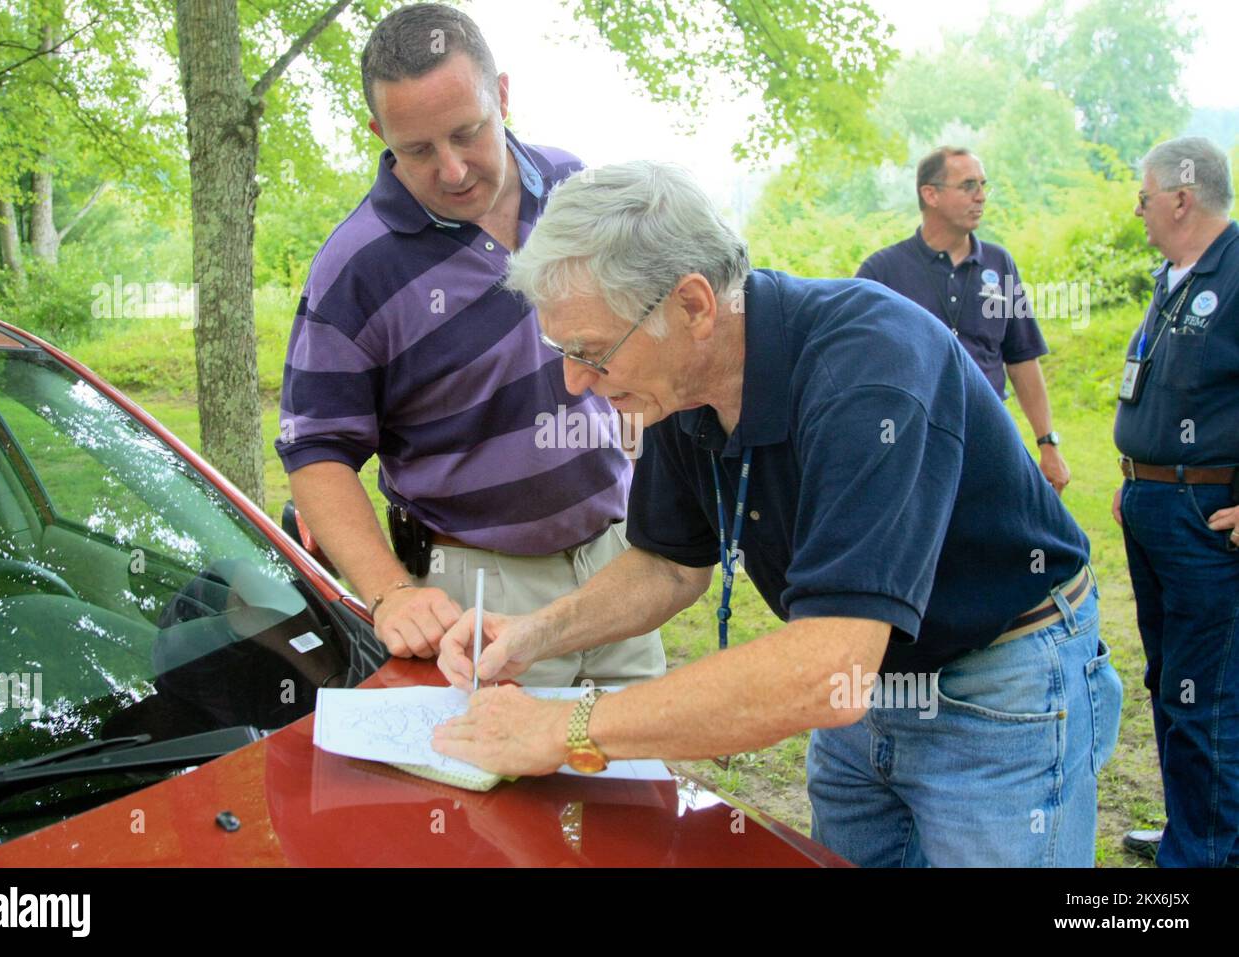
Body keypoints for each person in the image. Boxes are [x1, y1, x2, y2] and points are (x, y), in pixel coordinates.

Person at [431, 161, 1123, 867]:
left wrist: (564, 728)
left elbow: (824, 667)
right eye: (564, 353)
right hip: (866, 685)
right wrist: (530, 635)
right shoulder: (677, 382)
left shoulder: (868, 368)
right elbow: (670, 565)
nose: (576, 382)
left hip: (995, 684)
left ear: (693, 306)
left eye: (591, 353)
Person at [274, 4, 664, 687]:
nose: (453, 171)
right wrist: (390, 592)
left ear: (503, 96)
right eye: (419, 150)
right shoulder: (354, 268)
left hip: (618, 566)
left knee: (639, 782)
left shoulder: (578, 189)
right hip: (476, 596)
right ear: (379, 133)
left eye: (468, 133)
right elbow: (316, 450)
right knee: (510, 790)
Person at [1113, 135, 1239, 868]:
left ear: (1182, 198)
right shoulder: (1172, 275)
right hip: (1154, 506)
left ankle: (1205, 855)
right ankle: (1192, 825)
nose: (1139, 211)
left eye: (1145, 197)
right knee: (1171, 682)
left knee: (1209, 694)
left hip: (1206, 517)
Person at [856, 147, 1071, 495]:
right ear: (931, 194)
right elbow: (860, 368)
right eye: (968, 185)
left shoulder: (1000, 265)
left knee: (991, 542)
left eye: (984, 185)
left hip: (989, 435)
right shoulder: (882, 272)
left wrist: (1048, 443)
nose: (981, 196)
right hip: (914, 441)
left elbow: (1021, 358)